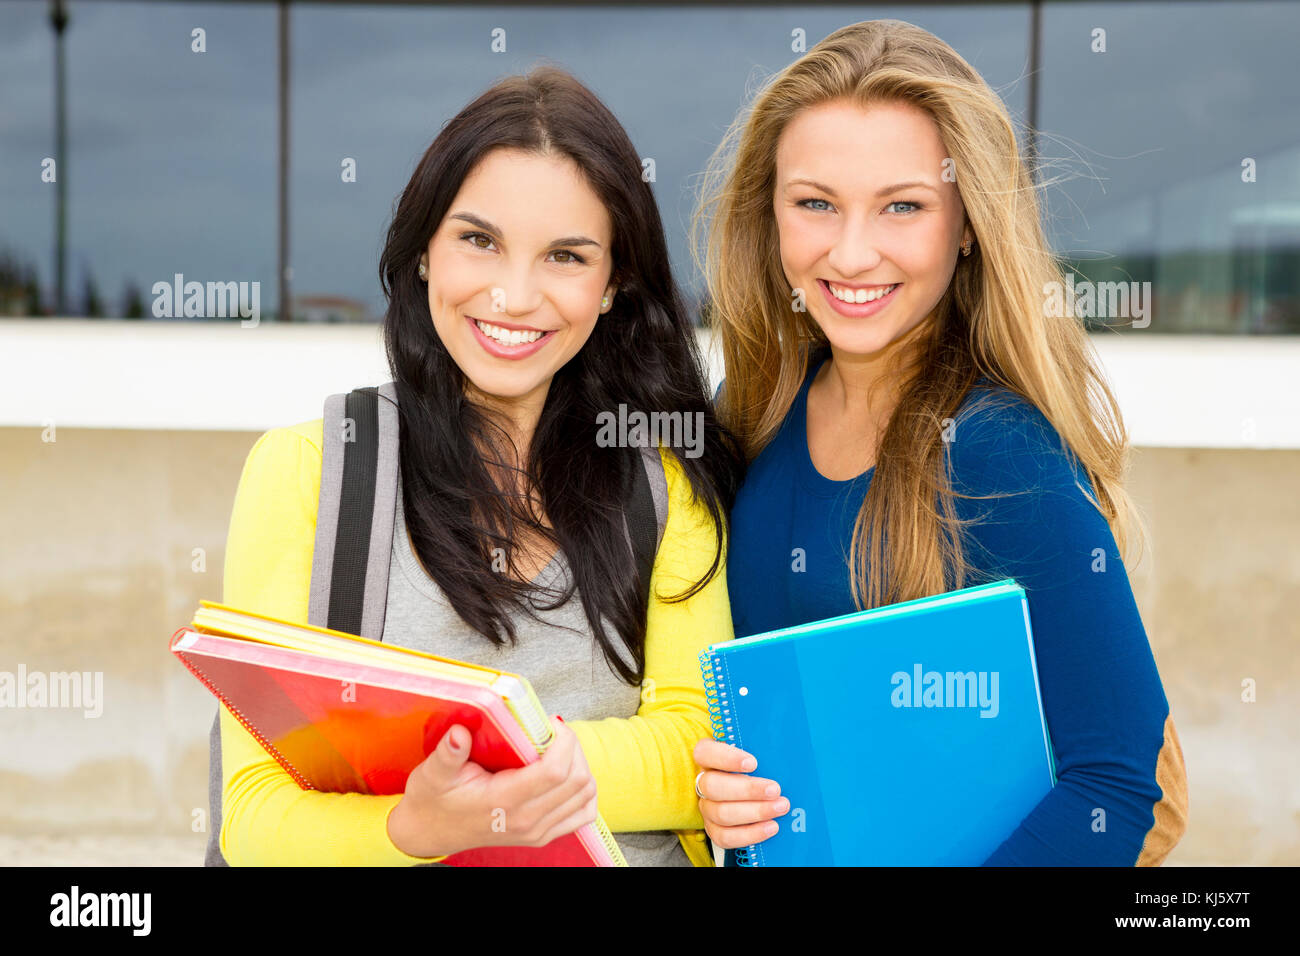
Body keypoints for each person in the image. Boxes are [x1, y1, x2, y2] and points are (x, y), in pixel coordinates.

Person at [216, 65, 744, 866]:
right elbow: (254, 817)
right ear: (425, 249)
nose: (513, 294)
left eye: (566, 256)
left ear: (613, 286)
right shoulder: (308, 471)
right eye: (479, 240)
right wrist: (417, 828)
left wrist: (502, 771)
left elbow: (696, 758)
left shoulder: (665, 484)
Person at [689, 19, 1188, 865]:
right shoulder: (750, 414)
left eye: (904, 207)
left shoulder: (999, 452)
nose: (851, 253)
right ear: (766, 215)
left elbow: (1118, 785)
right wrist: (716, 797)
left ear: (966, 225)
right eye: (814, 203)